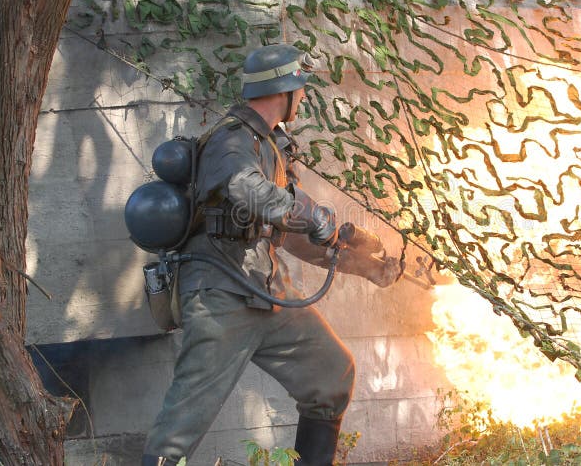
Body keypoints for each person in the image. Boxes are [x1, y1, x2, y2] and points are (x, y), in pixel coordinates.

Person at [142, 44, 401, 466]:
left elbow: (293, 235)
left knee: (330, 374)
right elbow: (245, 187)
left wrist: (366, 267)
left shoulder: (270, 146)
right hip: (220, 294)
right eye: (301, 89)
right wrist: (309, 213)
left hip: (265, 291)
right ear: (284, 90)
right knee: (180, 428)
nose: (303, 97)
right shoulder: (231, 139)